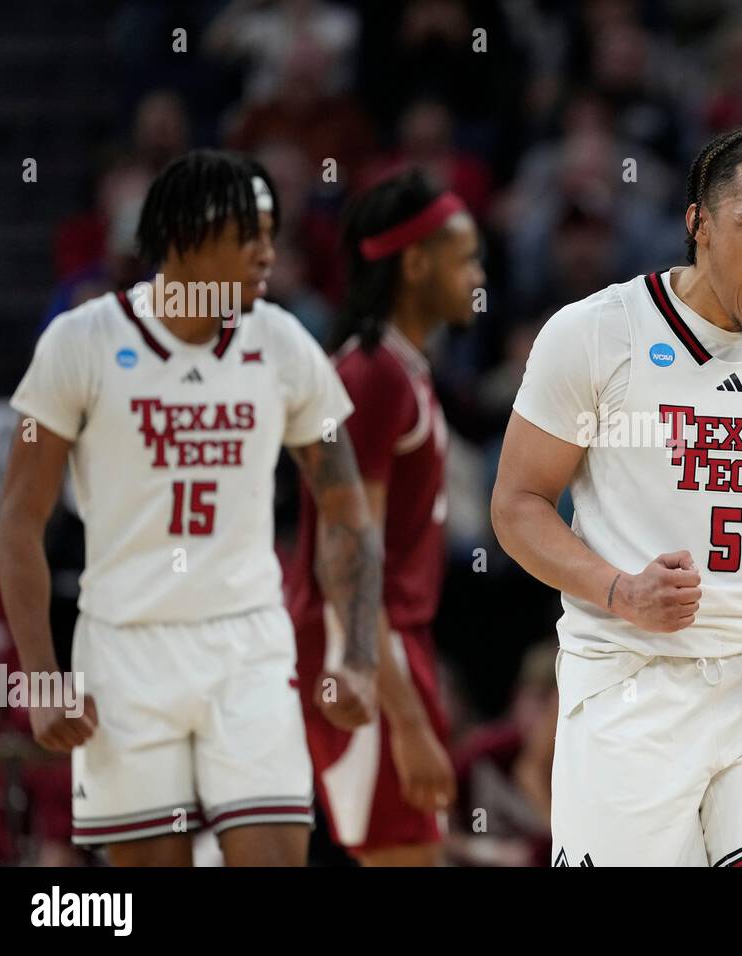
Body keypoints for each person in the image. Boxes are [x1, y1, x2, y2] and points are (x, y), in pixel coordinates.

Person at [492, 127, 742, 867]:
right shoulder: (595, 334)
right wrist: (620, 589)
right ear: (698, 223)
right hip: (632, 682)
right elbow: (516, 505)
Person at [0, 149, 380, 866]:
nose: (270, 253)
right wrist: (42, 678)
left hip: (248, 647)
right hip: (123, 648)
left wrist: (356, 655)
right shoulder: (81, 343)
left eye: (272, 232)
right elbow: (19, 519)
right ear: (184, 238)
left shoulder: (283, 343)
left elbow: (348, 510)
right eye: (250, 235)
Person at [287, 169, 483, 866]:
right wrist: (399, 712)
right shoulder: (370, 376)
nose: (477, 275)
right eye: (464, 258)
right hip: (362, 643)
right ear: (416, 262)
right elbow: (347, 553)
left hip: (391, 641)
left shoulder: (403, 370)